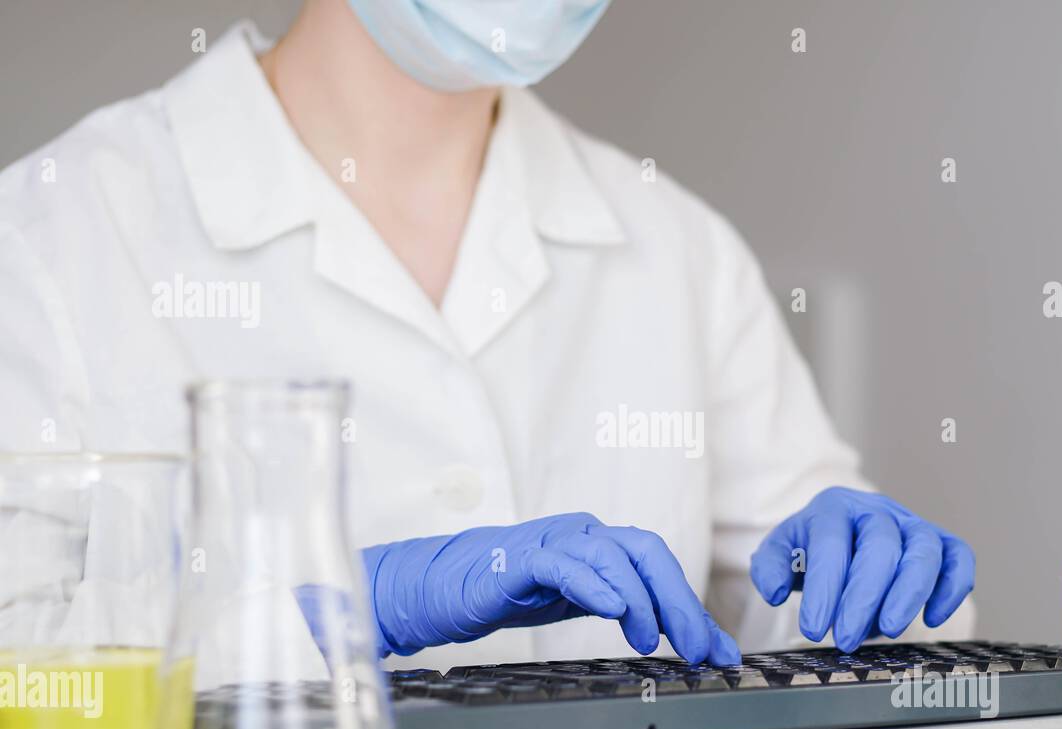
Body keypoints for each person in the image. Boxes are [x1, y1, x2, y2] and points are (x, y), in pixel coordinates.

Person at [0, 0, 974, 672]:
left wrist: (870, 590)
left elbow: (827, 627)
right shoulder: (57, 233)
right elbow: (21, 672)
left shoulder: (675, 246)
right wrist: (348, 608)